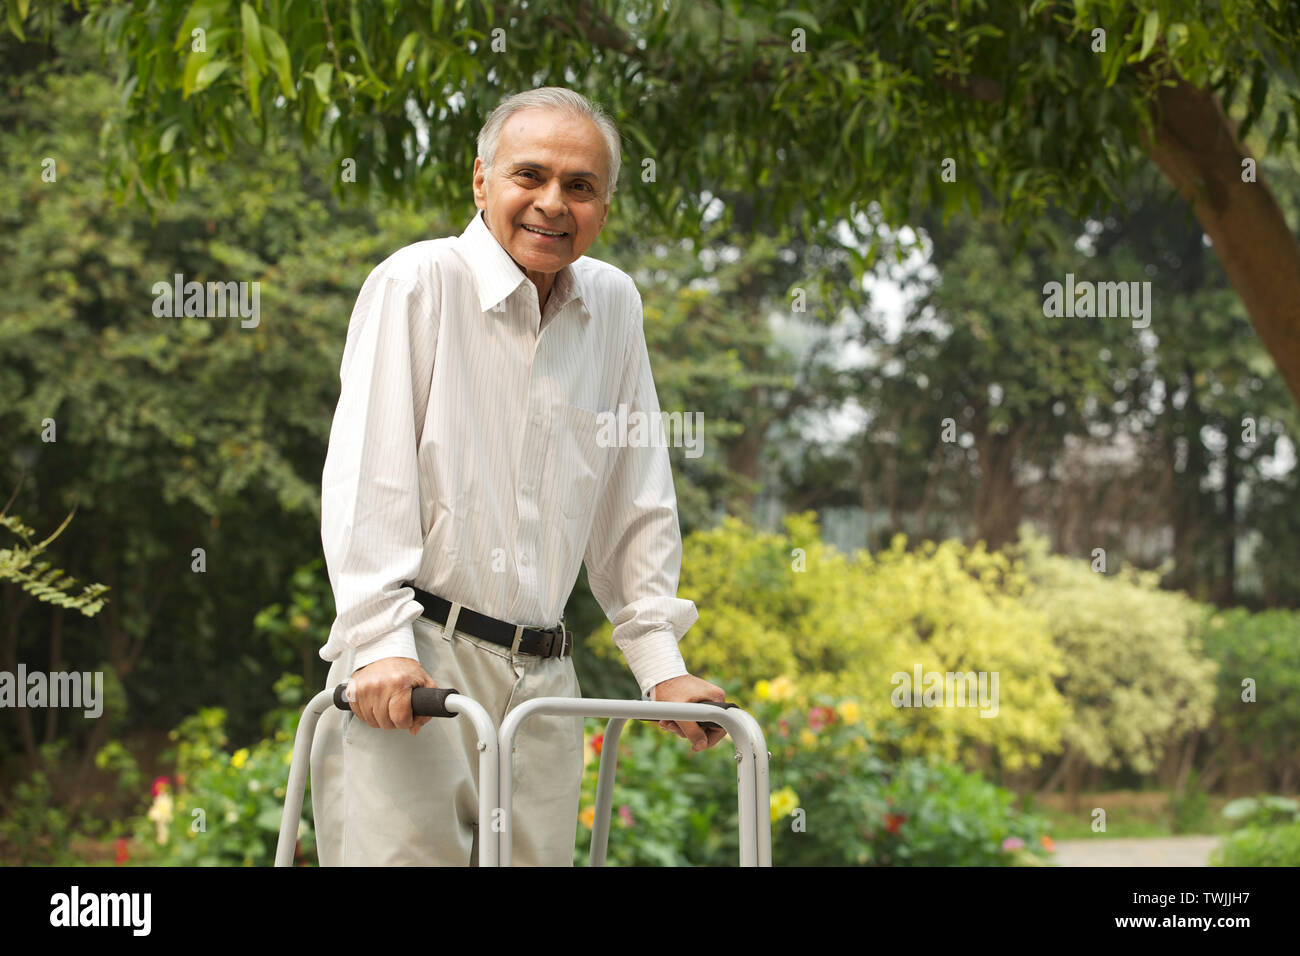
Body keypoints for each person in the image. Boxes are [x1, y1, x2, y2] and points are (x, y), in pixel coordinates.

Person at [309, 87, 727, 866]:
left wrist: (661, 668)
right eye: (528, 176)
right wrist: (377, 644)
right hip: (421, 660)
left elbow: (633, 495)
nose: (551, 204)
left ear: (605, 203)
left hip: (546, 680)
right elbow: (372, 477)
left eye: (580, 186)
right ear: (480, 182)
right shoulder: (417, 283)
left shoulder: (613, 303)